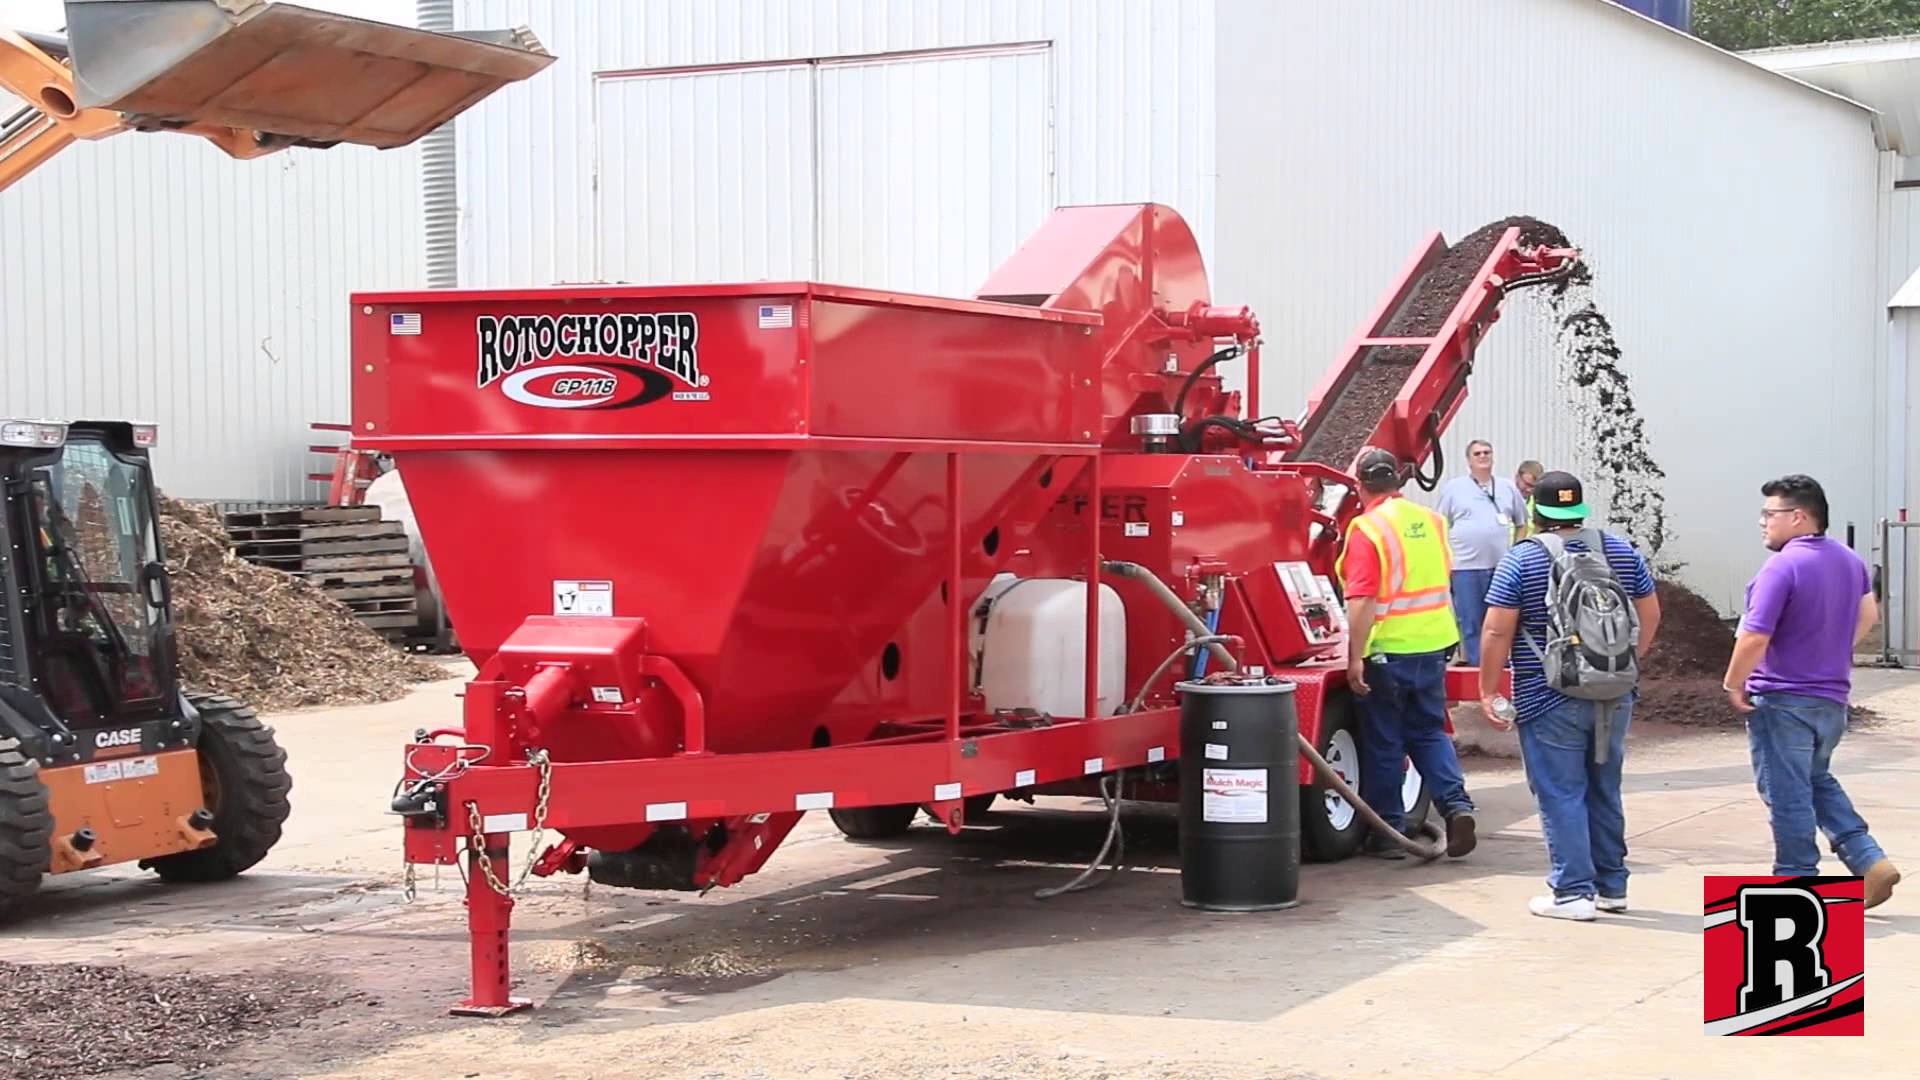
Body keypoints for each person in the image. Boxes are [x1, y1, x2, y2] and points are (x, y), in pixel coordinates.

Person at [1478, 471, 1661, 920]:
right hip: (1615, 693)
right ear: (1580, 509)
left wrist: (1487, 690)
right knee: (1604, 787)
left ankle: (1573, 893)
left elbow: (1497, 628)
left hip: (1547, 695)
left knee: (1561, 791)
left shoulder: (1522, 560)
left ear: (1536, 513)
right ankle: (1612, 887)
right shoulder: (1619, 549)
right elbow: (1650, 613)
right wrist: (1619, 663)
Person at [1723, 474, 1900, 909]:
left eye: (1770, 513)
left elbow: (1753, 638)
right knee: (1815, 779)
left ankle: (1796, 886)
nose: (1762, 522)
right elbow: (1868, 615)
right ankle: (1867, 859)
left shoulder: (1781, 566)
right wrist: (1831, 651)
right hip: (1830, 699)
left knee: (1787, 794)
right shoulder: (1849, 561)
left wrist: (1733, 682)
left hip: (1783, 700)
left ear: (1799, 516)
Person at [1339, 447, 1479, 860]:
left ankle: (1388, 833)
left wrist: (1355, 655)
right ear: (1399, 481)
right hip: (1434, 644)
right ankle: (1457, 806)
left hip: (1389, 650)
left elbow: (1361, 599)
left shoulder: (1367, 528)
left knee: (1385, 740)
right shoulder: (1433, 521)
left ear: (1360, 485)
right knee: (1429, 731)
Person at [1436, 439, 1528, 666]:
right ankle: (1478, 668)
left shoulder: (1507, 488)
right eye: (1477, 453)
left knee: (1501, 620)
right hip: (1465, 567)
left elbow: (1522, 522)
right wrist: (1446, 558)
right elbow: (1439, 523)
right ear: (1469, 460)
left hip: (1501, 566)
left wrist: (1516, 552)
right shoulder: (1454, 489)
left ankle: (1502, 666)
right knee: (1471, 621)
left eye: (1487, 452)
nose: (1483, 456)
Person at [1515, 460, 1544, 539]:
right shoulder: (1502, 499)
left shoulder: (1538, 504)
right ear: (1517, 477)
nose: (1529, 490)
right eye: (1527, 484)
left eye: (1533, 487)